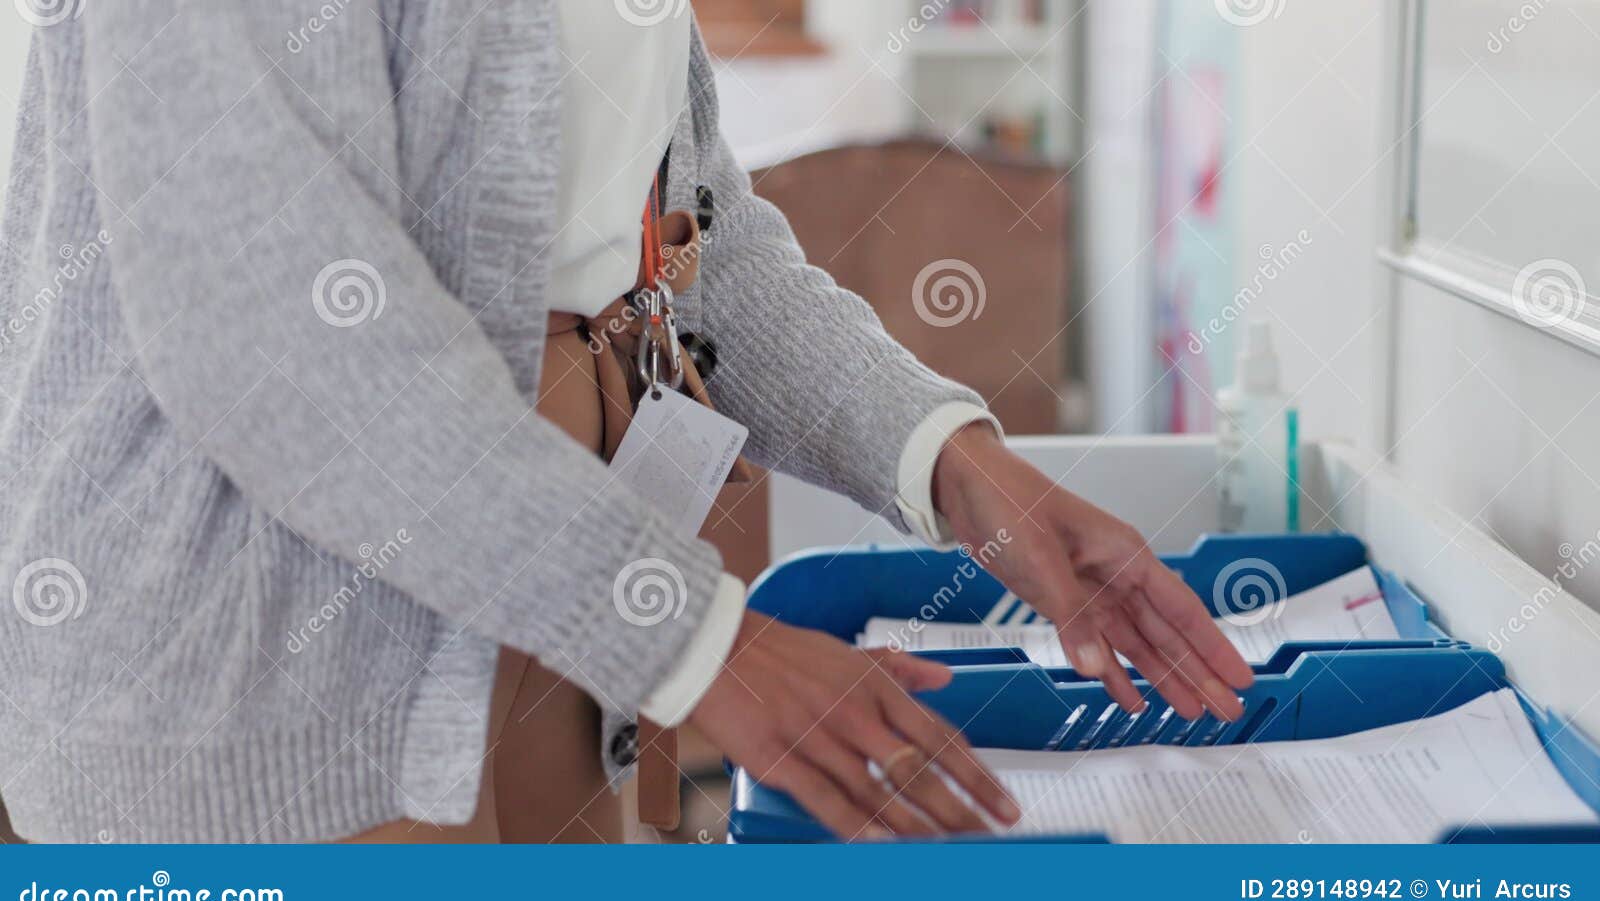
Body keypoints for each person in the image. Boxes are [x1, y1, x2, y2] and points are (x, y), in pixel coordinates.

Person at [0, 2, 1252, 844]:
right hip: (259, 665)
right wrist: (705, 642)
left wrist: (953, 463)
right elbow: (275, 332)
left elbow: (687, 229)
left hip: (557, 588)